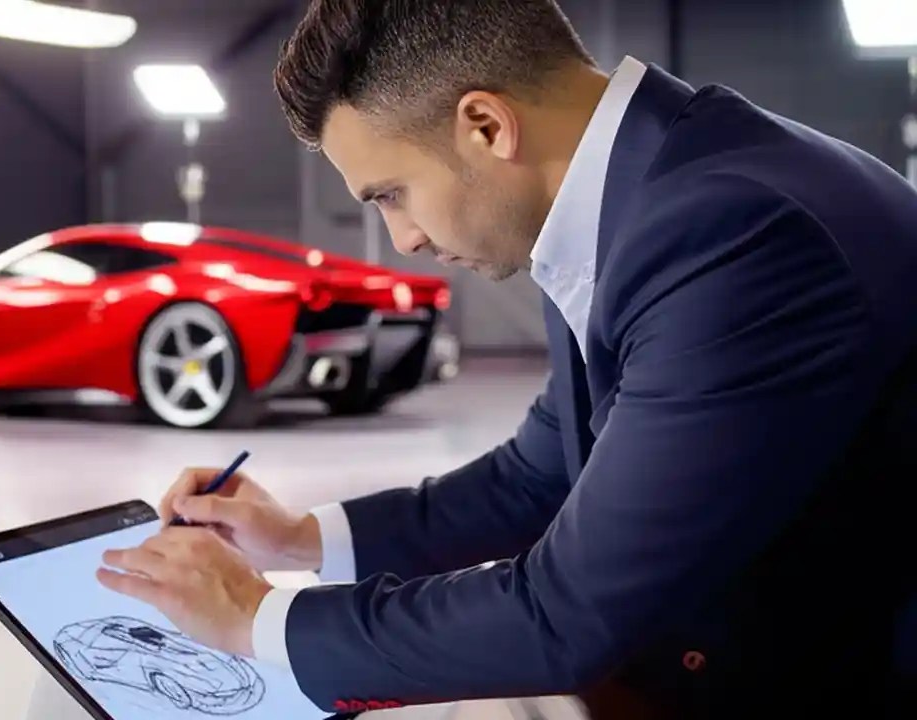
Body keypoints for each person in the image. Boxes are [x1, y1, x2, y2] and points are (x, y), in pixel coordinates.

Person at [97, 0, 917, 717]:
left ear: (486, 125)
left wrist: (254, 619)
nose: (404, 239)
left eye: (390, 193)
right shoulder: (647, 191)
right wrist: (299, 538)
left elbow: (568, 617)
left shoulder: (730, 235)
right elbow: (540, 472)